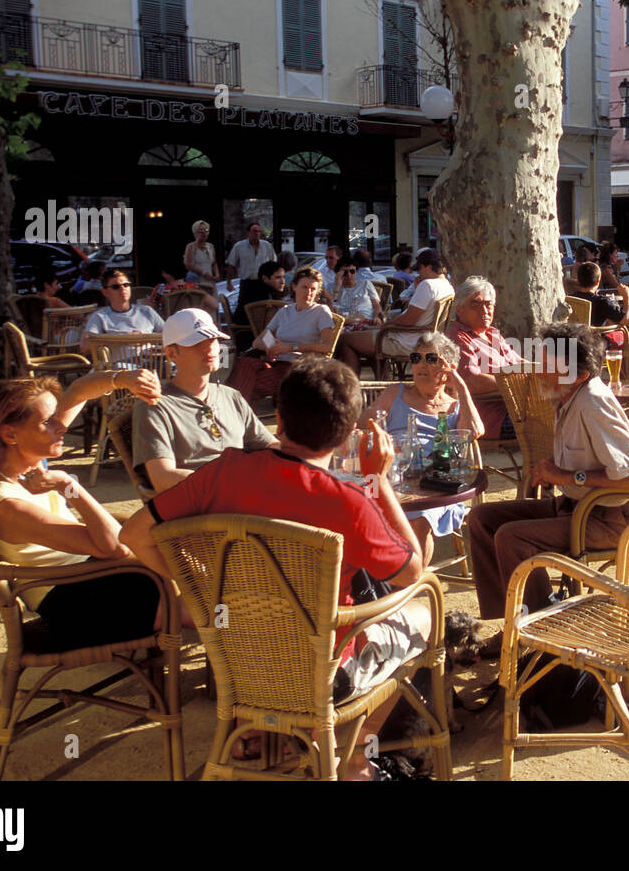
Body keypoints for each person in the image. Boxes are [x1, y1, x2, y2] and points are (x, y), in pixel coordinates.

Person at [121, 357, 429, 780]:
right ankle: (354, 760)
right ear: (344, 440)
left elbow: (134, 535)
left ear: (278, 418)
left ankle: (290, 736)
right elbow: (414, 573)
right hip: (322, 678)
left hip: (240, 664)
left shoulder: (223, 471)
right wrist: (381, 481)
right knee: (425, 612)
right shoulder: (348, 502)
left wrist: (202, 591)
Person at [464, 322, 629, 631]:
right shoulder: (565, 397)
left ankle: (541, 628)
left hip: (608, 520)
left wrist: (569, 476)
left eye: (549, 364)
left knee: (511, 537)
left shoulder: (593, 402)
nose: (539, 370)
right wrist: (554, 470)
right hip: (575, 508)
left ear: (578, 374)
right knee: (482, 518)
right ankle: (508, 621)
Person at [0, 370, 169, 648]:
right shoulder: (8, 506)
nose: (62, 427)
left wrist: (123, 379)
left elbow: (79, 390)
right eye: (47, 421)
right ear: (9, 434)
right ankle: (236, 650)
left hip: (90, 574)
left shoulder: (25, 460)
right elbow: (115, 547)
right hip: (74, 602)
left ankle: (236, 634)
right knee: (188, 594)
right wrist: (68, 485)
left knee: (188, 571)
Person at [360, 332, 484, 561]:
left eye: (431, 359)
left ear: (448, 369)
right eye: (417, 358)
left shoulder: (455, 406)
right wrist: (383, 443)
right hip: (390, 476)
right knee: (358, 504)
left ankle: (409, 582)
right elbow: (361, 427)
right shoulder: (394, 394)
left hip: (435, 486)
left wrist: (461, 386)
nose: (422, 365)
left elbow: (475, 431)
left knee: (419, 516)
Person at [134, 309, 278, 494]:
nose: (209, 347)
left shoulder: (230, 396)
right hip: (202, 510)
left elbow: (270, 445)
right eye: (196, 342)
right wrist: (233, 481)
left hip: (244, 499)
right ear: (171, 353)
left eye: (212, 339)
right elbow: (163, 478)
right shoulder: (155, 404)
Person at [230, 267, 339, 405]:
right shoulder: (285, 311)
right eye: (304, 287)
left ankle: (236, 415)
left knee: (249, 384)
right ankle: (240, 414)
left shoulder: (320, 311)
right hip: (276, 363)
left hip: (299, 367)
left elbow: (328, 347)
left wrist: (290, 347)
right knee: (244, 363)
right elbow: (257, 341)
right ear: (294, 286)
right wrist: (270, 346)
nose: (309, 292)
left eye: (313, 289)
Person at [338, 248, 453, 372]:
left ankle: (352, 386)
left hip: (408, 341)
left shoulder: (428, 285)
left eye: (419, 269)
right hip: (422, 337)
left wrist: (386, 325)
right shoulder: (447, 286)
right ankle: (381, 375)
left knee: (346, 340)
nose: (417, 273)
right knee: (365, 334)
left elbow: (408, 320)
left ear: (429, 268)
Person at [444, 276, 523, 439]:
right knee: (553, 423)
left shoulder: (492, 334)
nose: (484, 311)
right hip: (491, 418)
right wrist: (518, 384)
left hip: (517, 408)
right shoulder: (458, 338)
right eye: (475, 304)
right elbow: (471, 380)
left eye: (488, 304)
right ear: (459, 309)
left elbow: (520, 363)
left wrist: (545, 372)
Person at [80, 268, 165, 354]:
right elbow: (85, 347)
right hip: (121, 365)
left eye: (126, 285)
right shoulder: (100, 316)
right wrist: (121, 339)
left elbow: (169, 334)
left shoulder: (146, 311)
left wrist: (146, 338)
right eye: (116, 287)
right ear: (105, 292)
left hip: (152, 362)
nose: (122, 288)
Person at [569, 261, 629, 350]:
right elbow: (626, 321)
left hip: (573, 342)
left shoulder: (571, 299)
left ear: (578, 280)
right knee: (625, 335)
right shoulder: (601, 301)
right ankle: (627, 364)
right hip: (594, 343)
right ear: (598, 281)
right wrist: (626, 298)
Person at [231, 260, 288, 349]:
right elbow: (268, 325)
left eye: (283, 277)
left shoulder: (266, 290)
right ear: (265, 278)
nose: (282, 281)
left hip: (253, 334)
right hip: (249, 335)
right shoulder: (262, 296)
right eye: (277, 277)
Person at [147, 261, 219, 316]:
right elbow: (215, 305)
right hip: (191, 323)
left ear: (168, 274)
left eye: (163, 273)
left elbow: (150, 309)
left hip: (169, 324)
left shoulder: (161, 289)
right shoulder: (194, 288)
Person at [330, 259, 382, 326]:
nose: (349, 275)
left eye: (352, 271)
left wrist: (376, 317)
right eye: (344, 273)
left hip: (367, 321)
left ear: (356, 272)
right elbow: (330, 309)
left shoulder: (365, 284)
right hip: (343, 323)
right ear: (337, 273)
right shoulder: (331, 287)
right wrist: (337, 287)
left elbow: (377, 305)